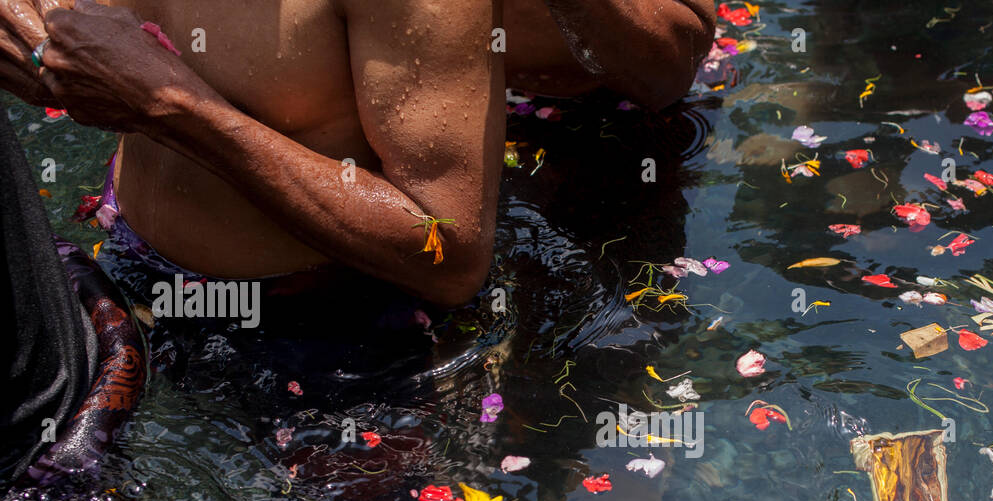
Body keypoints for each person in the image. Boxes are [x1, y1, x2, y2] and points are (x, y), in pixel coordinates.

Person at [0, 0, 714, 308]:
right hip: (130, 262)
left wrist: (169, 107)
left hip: (328, 318)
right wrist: (49, 56)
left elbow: (669, 66)